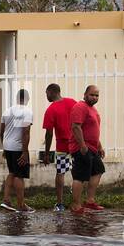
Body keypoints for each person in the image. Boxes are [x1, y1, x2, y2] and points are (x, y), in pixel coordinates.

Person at [40, 83, 77, 211]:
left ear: (51, 92)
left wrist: (46, 153)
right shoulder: (72, 102)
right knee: (76, 173)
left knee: (61, 172)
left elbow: (49, 134)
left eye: (46, 93)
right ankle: (77, 201)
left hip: (62, 145)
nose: (46, 96)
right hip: (76, 143)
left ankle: (60, 203)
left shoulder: (51, 110)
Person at [70, 85, 106, 213]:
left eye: (97, 95)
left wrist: (99, 146)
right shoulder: (80, 107)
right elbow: (76, 127)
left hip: (92, 148)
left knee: (98, 170)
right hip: (82, 148)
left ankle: (90, 201)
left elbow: (93, 131)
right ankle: (76, 205)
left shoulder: (93, 110)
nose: (95, 97)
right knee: (79, 177)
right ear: (85, 94)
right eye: (92, 95)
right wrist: (82, 146)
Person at [0, 88, 34, 213]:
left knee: (12, 172)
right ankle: (21, 205)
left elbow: (1, 131)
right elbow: (26, 132)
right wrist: (25, 152)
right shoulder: (27, 111)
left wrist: (4, 147)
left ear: (16, 98)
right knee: (19, 175)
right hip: (19, 148)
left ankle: (6, 200)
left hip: (8, 146)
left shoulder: (7, 111)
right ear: (27, 99)